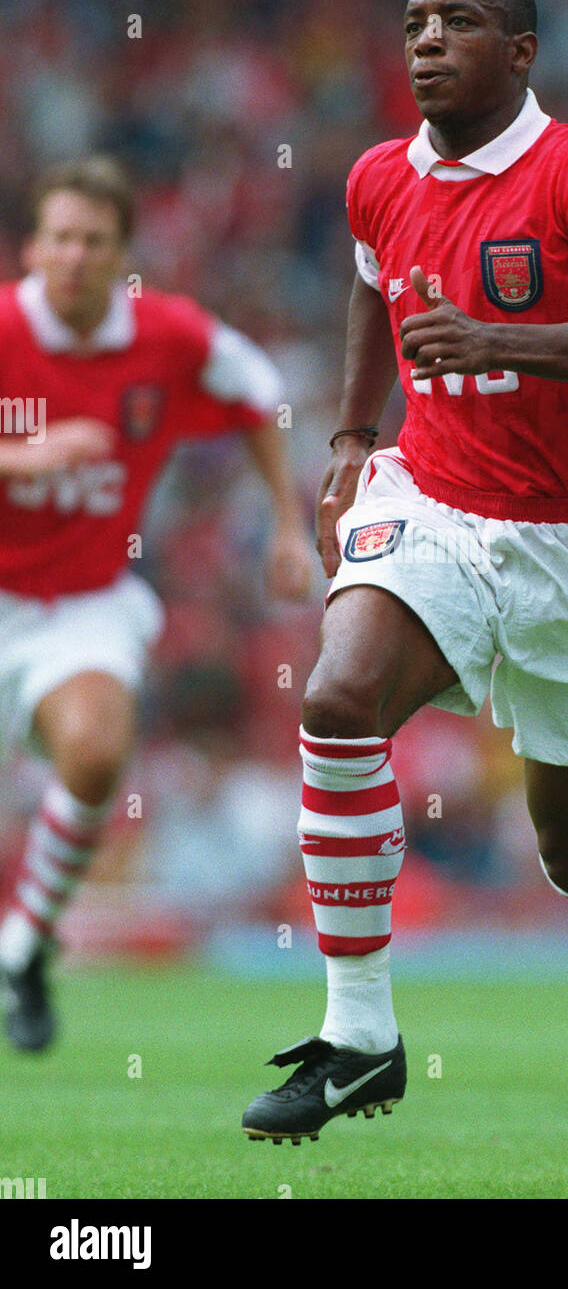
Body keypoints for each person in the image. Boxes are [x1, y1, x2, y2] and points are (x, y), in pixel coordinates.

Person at [242, 0, 568, 1146]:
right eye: (412, 23)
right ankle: (360, 1036)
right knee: (341, 699)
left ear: (522, 51)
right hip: (435, 498)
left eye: (460, 21)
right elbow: (367, 285)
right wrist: (354, 437)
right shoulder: (376, 179)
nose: (427, 41)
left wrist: (505, 336)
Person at [0, 156, 312, 1051]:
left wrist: (288, 529)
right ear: (32, 246)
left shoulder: (168, 338)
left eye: (93, 241)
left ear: (122, 255)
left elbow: (262, 396)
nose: (72, 255)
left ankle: (26, 944)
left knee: (97, 754)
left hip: (81, 601)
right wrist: (22, 457)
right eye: (58, 237)